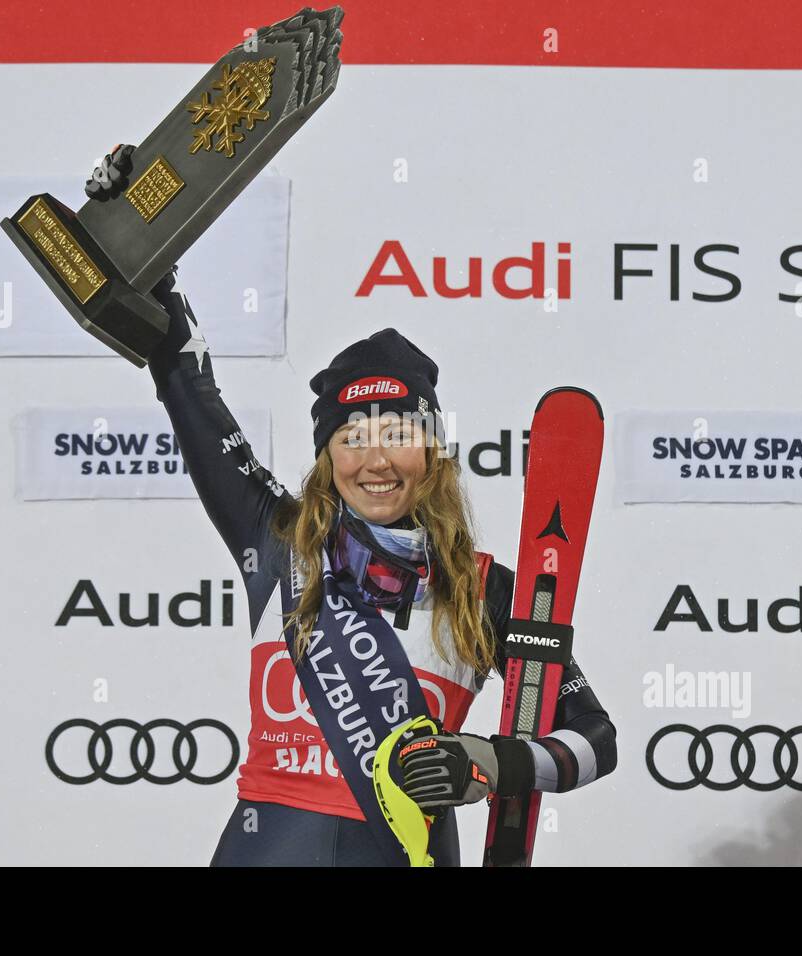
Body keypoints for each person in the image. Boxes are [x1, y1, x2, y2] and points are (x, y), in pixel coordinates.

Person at [89, 154, 617, 867]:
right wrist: (137, 244)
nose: (375, 459)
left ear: (431, 451)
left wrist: (484, 762)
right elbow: (185, 381)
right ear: (327, 456)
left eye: (398, 434)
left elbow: (595, 741)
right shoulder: (277, 543)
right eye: (352, 437)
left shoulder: (484, 587)